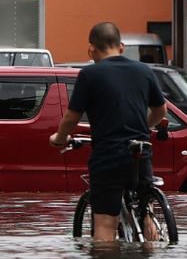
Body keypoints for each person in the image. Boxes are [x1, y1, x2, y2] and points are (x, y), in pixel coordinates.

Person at [49, 22, 167, 242]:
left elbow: (71, 117)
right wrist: (143, 127)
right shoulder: (144, 70)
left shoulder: (89, 74)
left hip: (108, 155)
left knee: (104, 222)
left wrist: (60, 138)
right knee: (146, 211)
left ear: (91, 50)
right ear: (121, 47)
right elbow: (161, 111)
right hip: (140, 152)